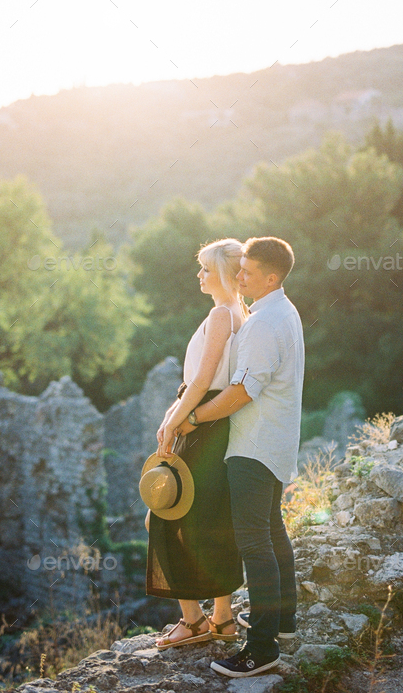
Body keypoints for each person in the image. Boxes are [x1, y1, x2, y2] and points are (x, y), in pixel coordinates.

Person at [176, 236, 304, 678]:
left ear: (271, 277)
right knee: (271, 531)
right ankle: (282, 622)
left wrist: (193, 418)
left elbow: (242, 391)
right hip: (276, 440)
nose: (240, 276)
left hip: (253, 444)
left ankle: (262, 648)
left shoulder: (264, 323)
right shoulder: (281, 310)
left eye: (248, 272)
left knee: (254, 543)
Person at [146, 238, 247, 650]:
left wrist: (173, 421)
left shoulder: (222, 314)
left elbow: (203, 381)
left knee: (166, 513)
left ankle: (193, 620)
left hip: (200, 427)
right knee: (213, 518)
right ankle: (221, 618)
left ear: (223, 274)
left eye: (206, 268)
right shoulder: (242, 312)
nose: (200, 275)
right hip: (215, 425)